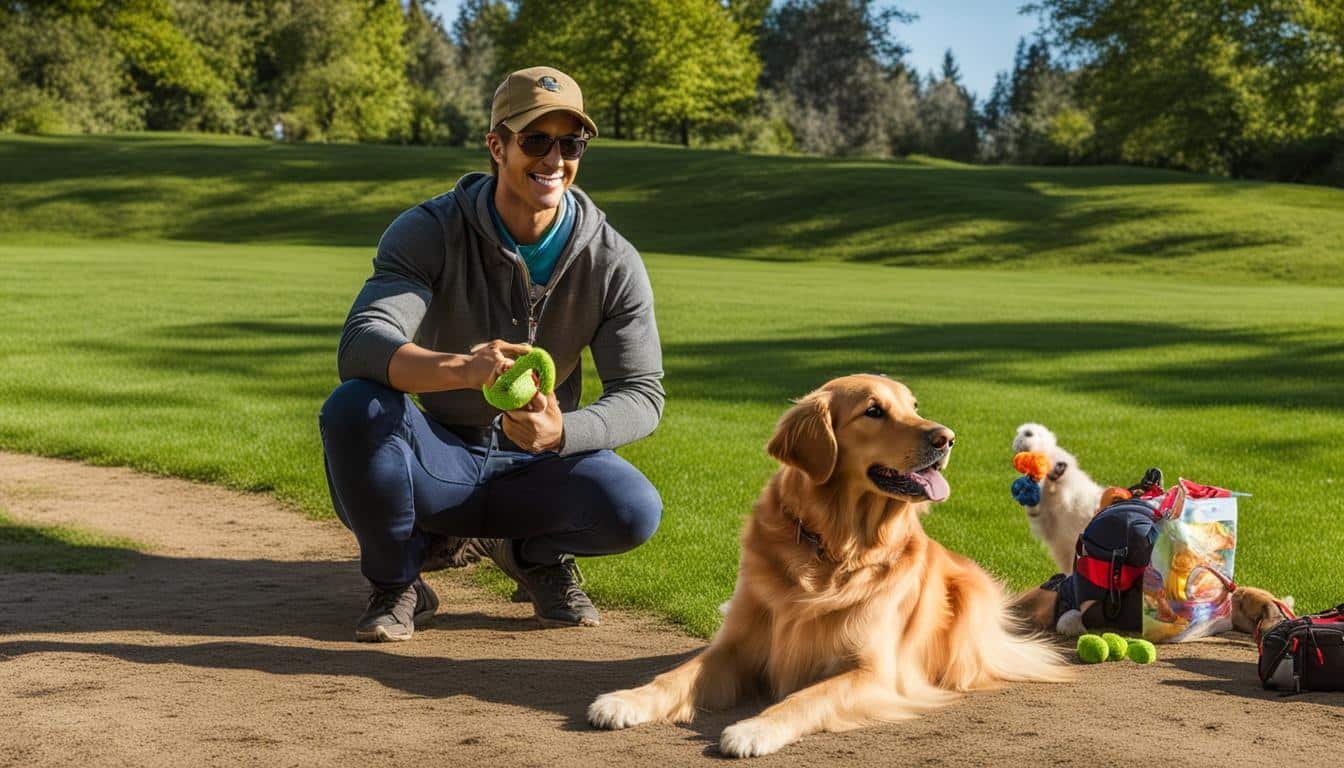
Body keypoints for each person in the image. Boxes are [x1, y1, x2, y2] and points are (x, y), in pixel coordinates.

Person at [319, 66, 664, 641]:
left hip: (539, 466)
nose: (554, 158)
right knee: (354, 408)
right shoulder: (430, 230)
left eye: (570, 142)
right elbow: (363, 343)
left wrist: (561, 433)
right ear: (496, 145)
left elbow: (643, 395)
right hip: (442, 459)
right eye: (535, 140)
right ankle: (398, 581)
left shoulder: (611, 260)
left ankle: (533, 555)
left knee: (632, 508)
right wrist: (464, 368)